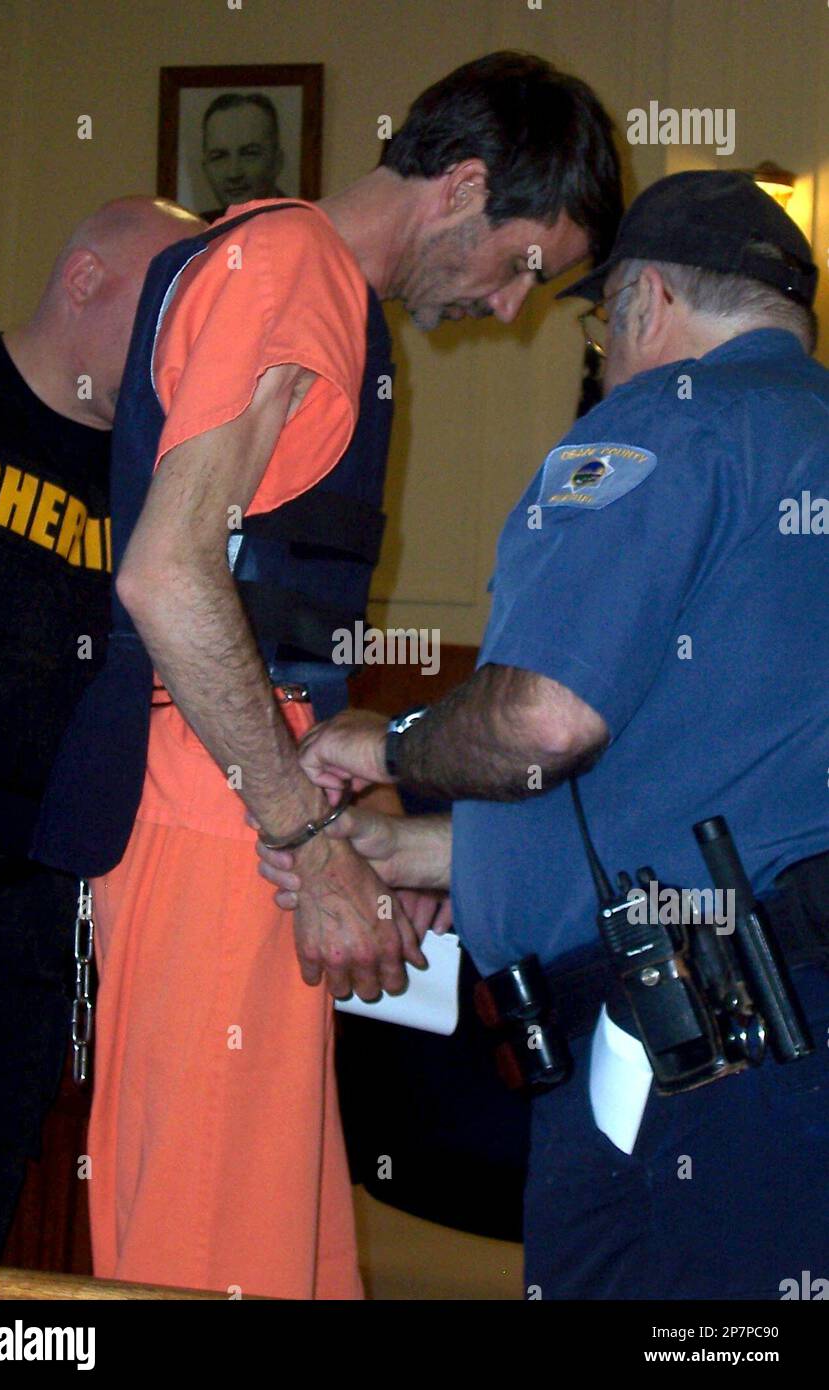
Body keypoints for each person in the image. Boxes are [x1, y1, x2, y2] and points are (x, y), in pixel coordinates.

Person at [32, 51, 623, 1298]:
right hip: (219, 827)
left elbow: (257, 606)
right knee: (210, 1252)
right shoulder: (292, 269)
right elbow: (168, 579)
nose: (514, 309)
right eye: (524, 262)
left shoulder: (293, 271)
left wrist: (354, 804)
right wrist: (310, 839)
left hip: (234, 806)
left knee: (276, 1242)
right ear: (462, 186)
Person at [266, 171, 829, 1300]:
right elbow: (701, 760)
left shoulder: (669, 427)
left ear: (645, 302)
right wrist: (447, 856)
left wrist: (387, 746)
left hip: (694, 1051)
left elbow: (544, 717)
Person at [0, 196, 205, 1264]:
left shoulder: (157, 490)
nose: (173, 355)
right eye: (160, 322)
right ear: (86, 279)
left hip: (19, 934)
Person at [200, 93, 287, 220]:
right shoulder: (197, 231)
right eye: (219, 157)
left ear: (277, 161)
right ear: (205, 166)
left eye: (249, 154)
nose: (233, 173)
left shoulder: (307, 227)